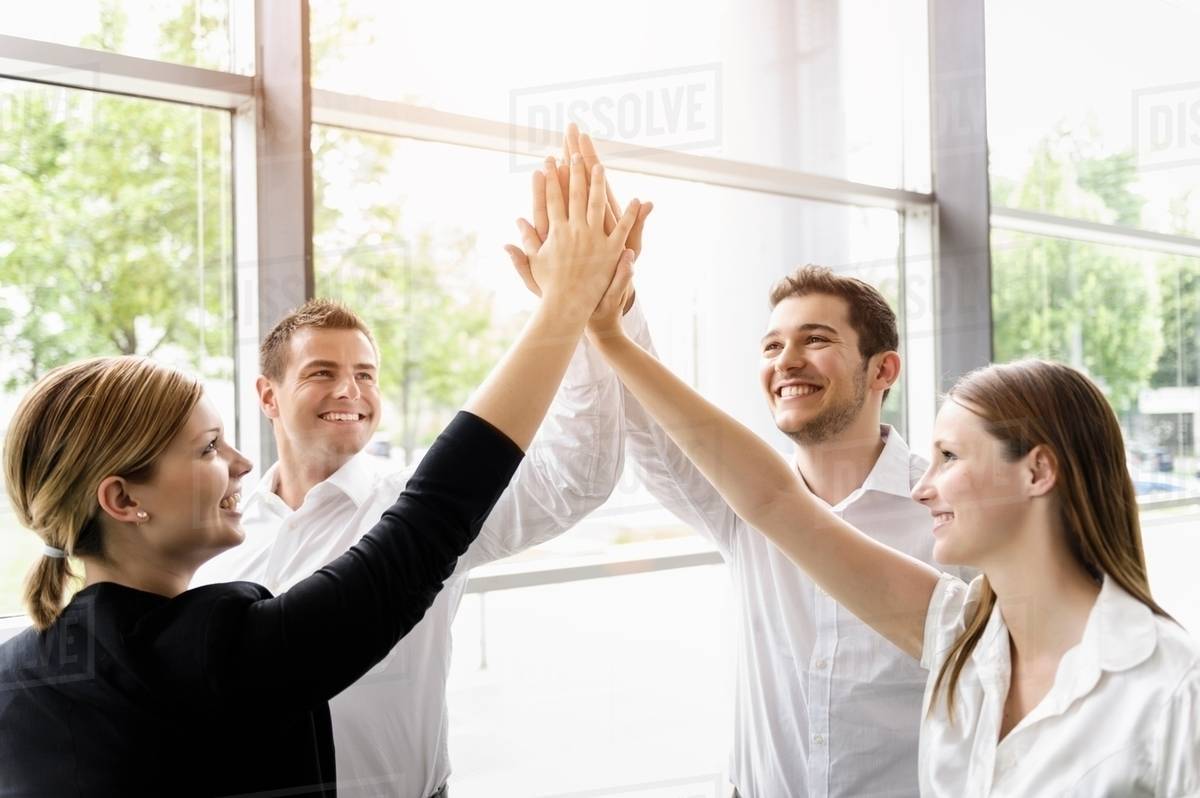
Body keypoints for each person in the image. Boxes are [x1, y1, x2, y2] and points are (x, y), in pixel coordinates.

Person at [0, 156, 641, 797]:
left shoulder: (18, 671)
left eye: (366, 374)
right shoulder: (216, 644)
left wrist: (587, 322)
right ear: (121, 499)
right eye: (207, 449)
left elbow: (567, 477)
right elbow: (432, 521)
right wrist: (566, 304)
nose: (239, 465)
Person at [578, 259, 1200, 793]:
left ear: (1036, 472)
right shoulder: (958, 634)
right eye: (771, 345)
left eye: (950, 458)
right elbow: (772, 501)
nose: (924, 485)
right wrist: (611, 328)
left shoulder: (1171, 689)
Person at [506, 127, 958, 797]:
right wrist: (611, 302)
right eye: (771, 346)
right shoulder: (741, 507)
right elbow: (657, 432)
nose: (786, 362)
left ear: (883, 368)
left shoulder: (948, 513)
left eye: (816, 340)